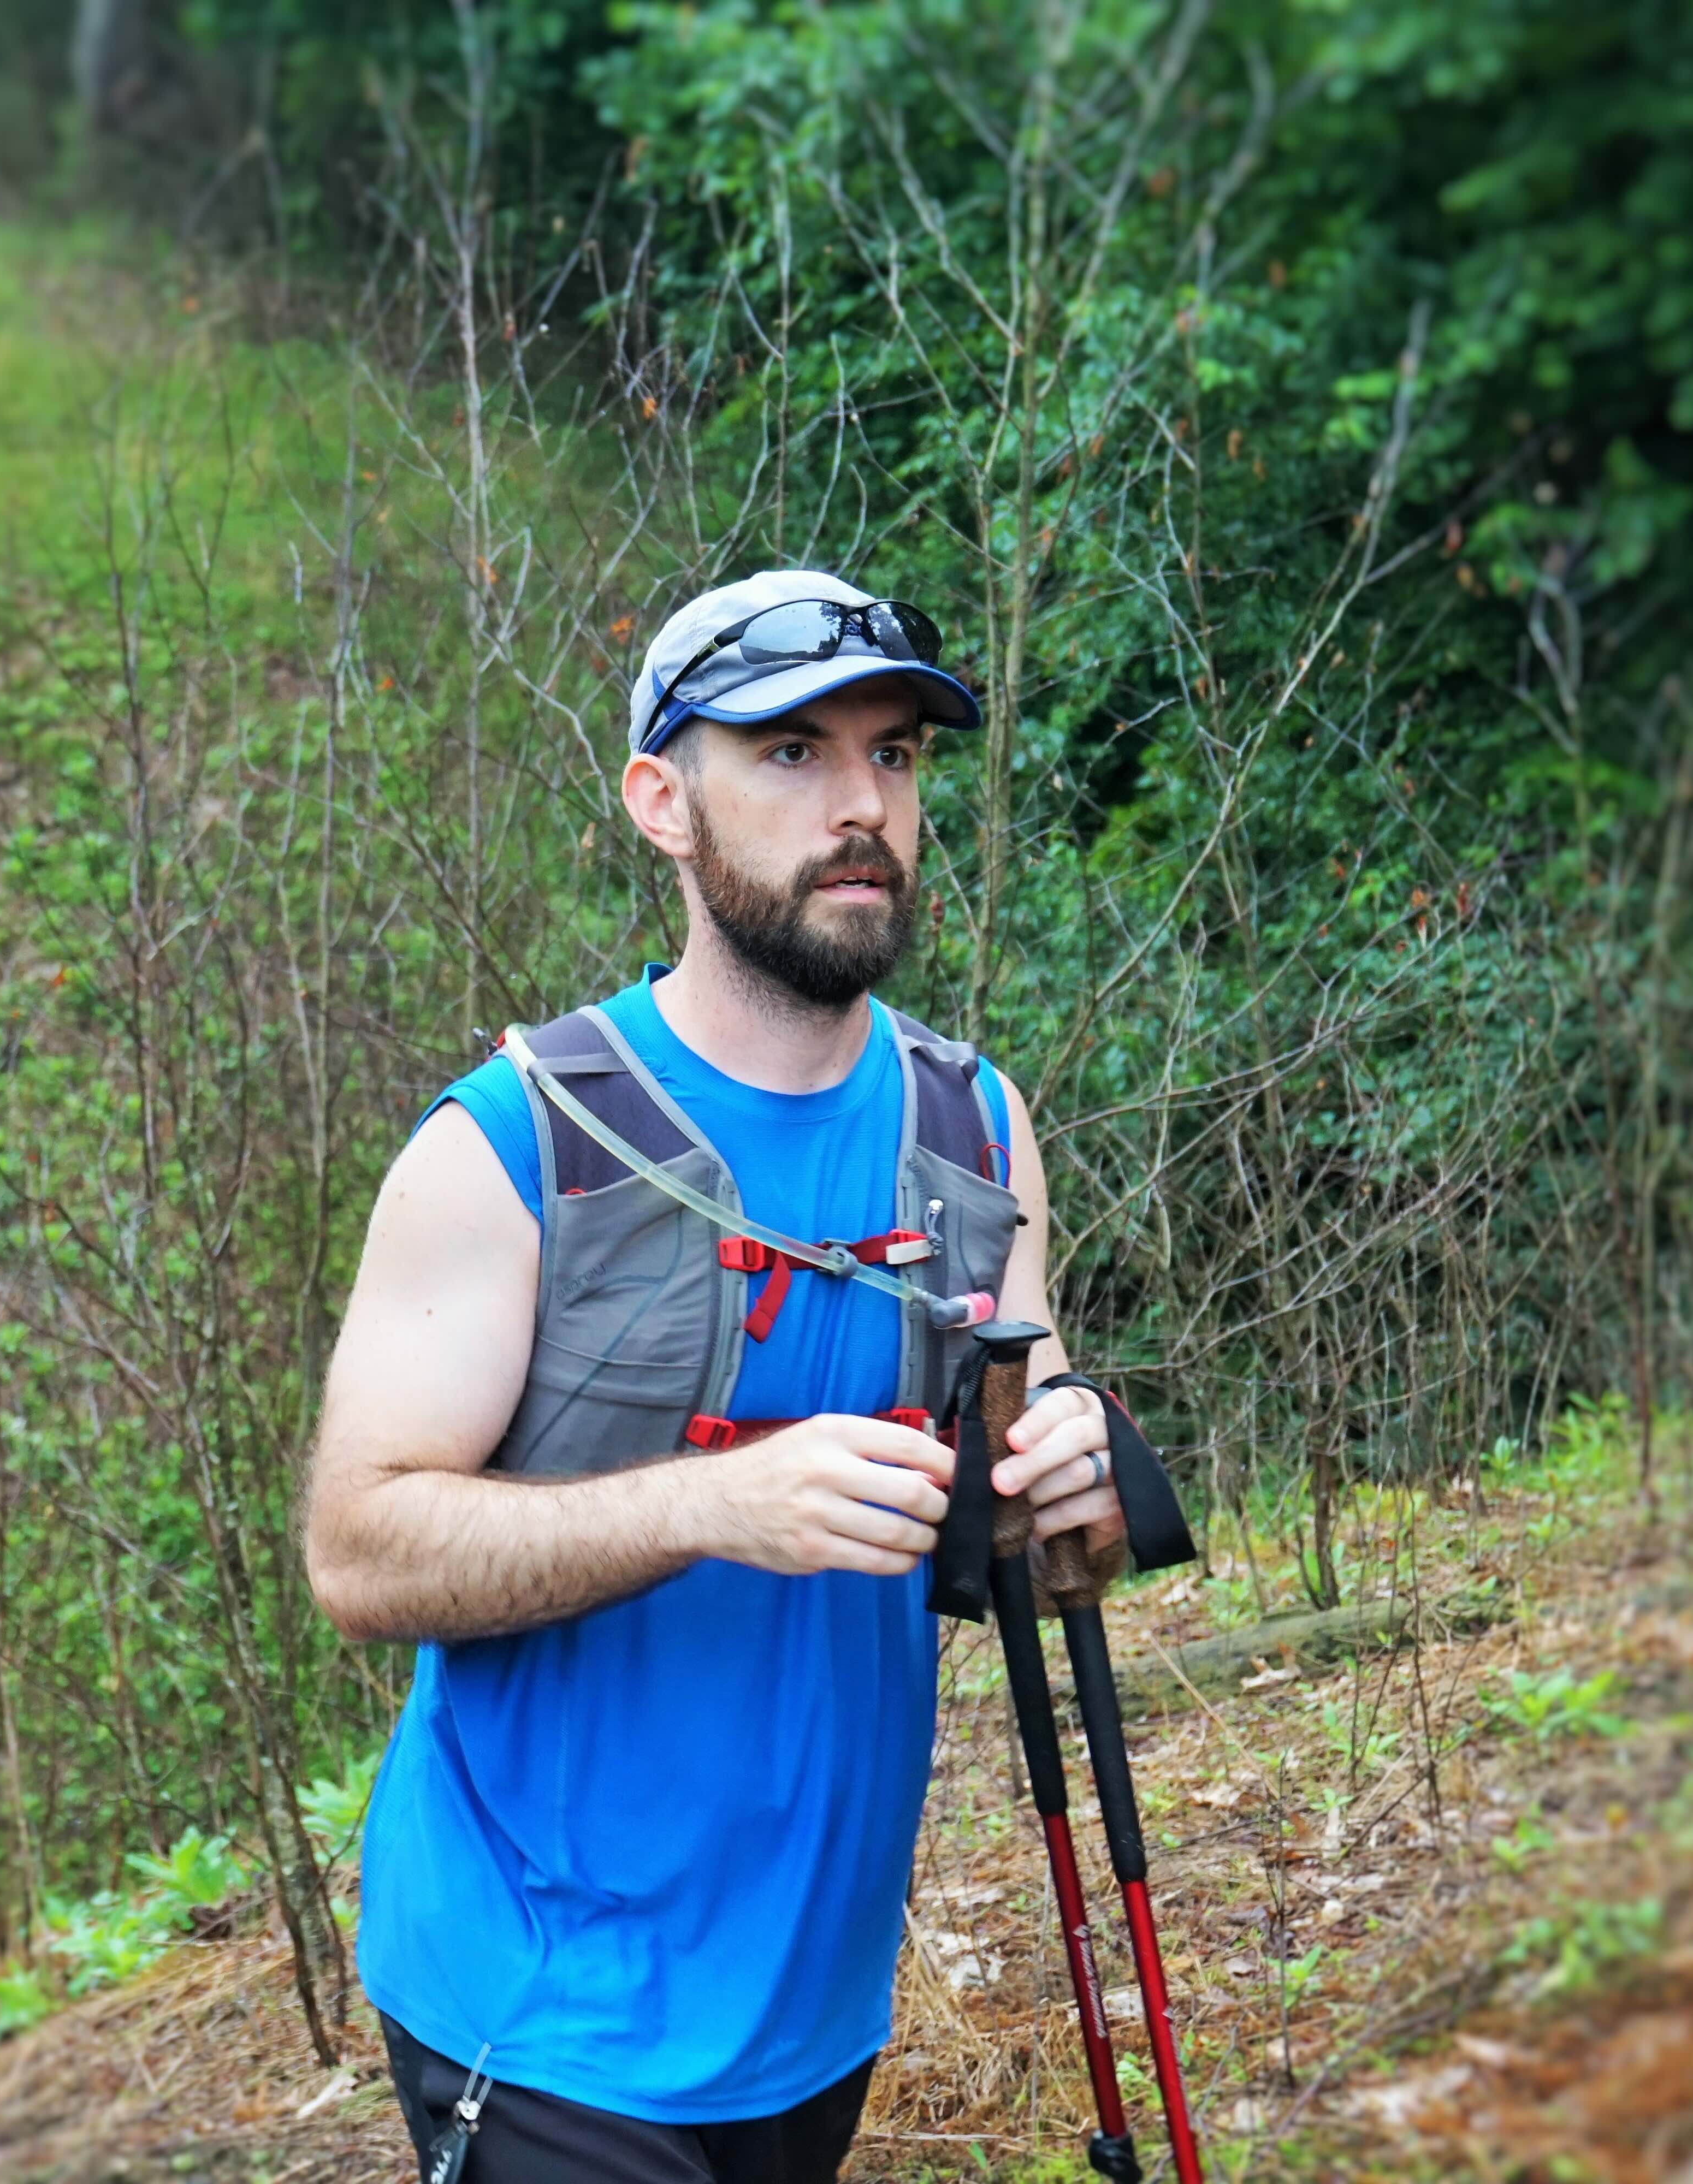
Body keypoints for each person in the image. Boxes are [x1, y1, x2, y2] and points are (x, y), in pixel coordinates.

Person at [305, 569, 1133, 2184]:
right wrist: (708, 1504)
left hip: (809, 2004)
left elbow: (1039, 1554)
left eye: (893, 755)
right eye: (790, 752)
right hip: (539, 2001)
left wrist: (1075, 1492)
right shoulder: (513, 1143)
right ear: (659, 802)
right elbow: (359, 1553)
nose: (860, 805)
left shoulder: (970, 1126)